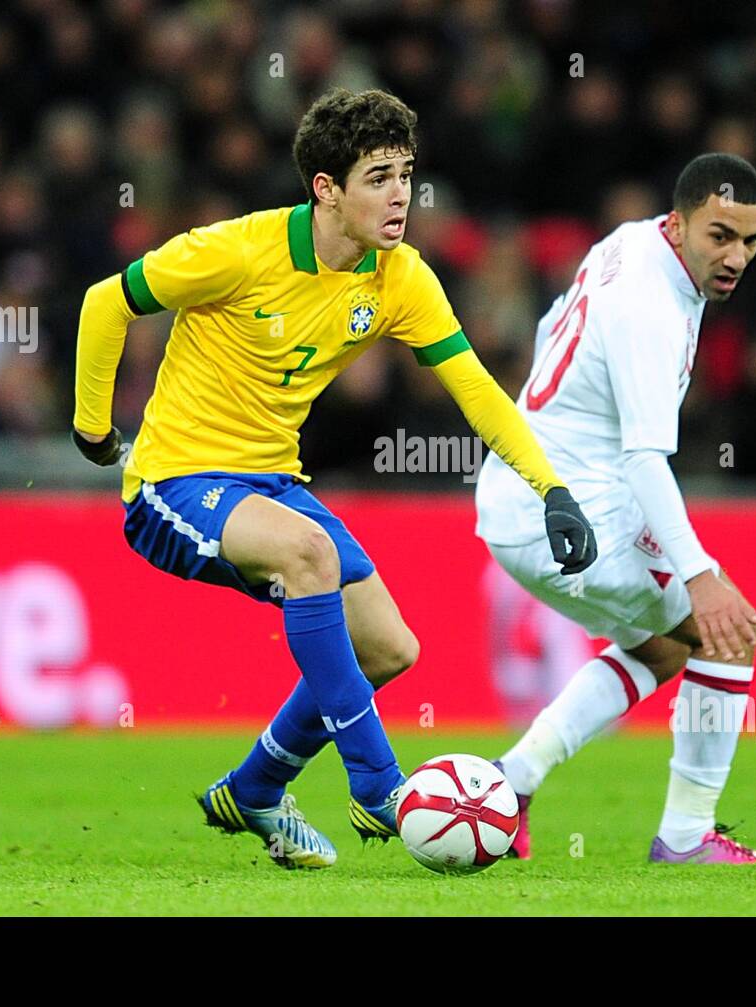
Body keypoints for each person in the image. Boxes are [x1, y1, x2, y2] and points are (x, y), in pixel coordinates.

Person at [71, 88, 597, 869]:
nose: (400, 196)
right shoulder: (237, 252)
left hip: (271, 480)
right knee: (310, 555)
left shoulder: (399, 278)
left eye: (406, 174)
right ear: (327, 190)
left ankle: (253, 789)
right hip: (173, 482)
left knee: (390, 648)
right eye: (378, 176)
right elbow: (105, 301)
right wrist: (93, 428)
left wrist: (551, 488)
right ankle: (381, 784)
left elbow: (479, 390)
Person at [475, 152, 756, 865]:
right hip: (568, 514)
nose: (737, 256)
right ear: (679, 225)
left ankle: (512, 783)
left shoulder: (628, 241)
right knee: (729, 631)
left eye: (752, 240)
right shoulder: (649, 306)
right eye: (720, 236)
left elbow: (555, 327)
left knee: (667, 645)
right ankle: (684, 838)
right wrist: (699, 573)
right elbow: (647, 460)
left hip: (523, 492)